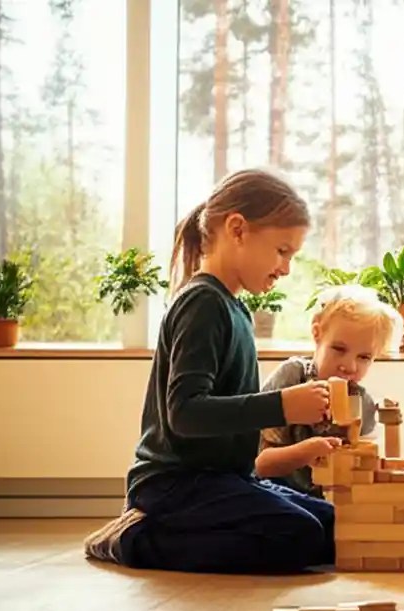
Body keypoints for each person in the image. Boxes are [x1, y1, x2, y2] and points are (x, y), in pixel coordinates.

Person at [83, 168, 336, 574]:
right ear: (237, 229)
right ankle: (134, 539)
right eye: (282, 251)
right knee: (299, 536)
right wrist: (283, 406)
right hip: (174, 484)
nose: (286, 268)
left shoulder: (233, 307)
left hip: (224, 478)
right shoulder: (202, 304)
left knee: (332, 526)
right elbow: (185, 413)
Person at [255, 284, 402, 497]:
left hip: (333, 502)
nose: (350, 367)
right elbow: (259, 464)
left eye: (364, 357)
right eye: (339, 349)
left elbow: (367, 471)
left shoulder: (362, 401)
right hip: (276, 493)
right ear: (317, 333)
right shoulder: (293, 376)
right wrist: (306, 452)